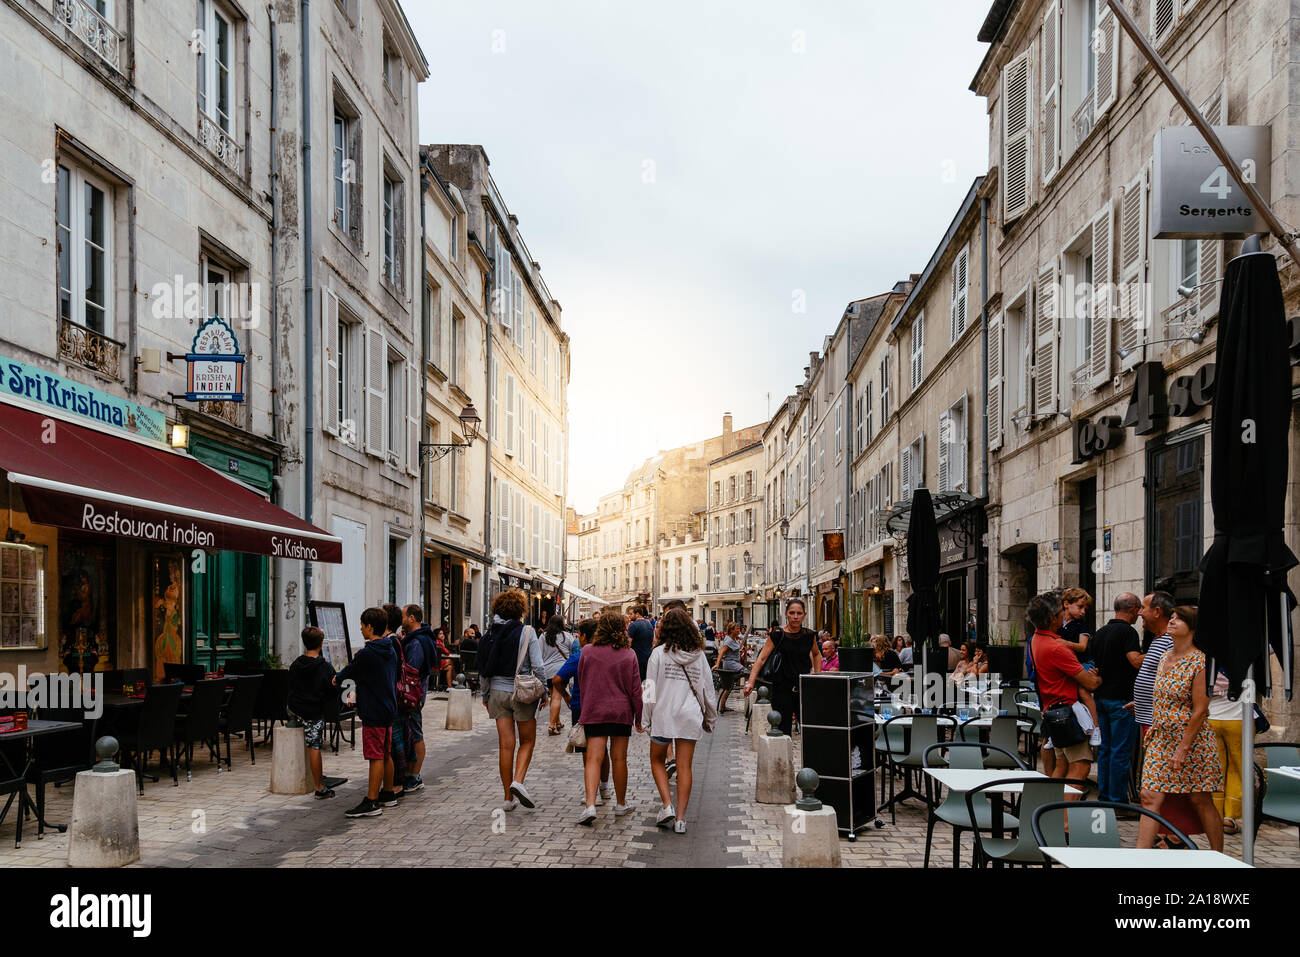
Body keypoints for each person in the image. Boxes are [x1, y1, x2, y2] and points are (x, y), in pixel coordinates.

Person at [1138, 607, 1224, 851]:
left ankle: (1218, 856)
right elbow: (1164, 694)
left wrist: (1183, 748)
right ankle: (1138, 858)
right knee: (1149, 797)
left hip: (1191, 741)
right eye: (1172, 617)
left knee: (1200, 799)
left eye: (1179, 619)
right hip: (1161, 737)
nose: (1172, 621)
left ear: (1193, 628)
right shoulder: (1165, 656)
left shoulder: (1201, 662)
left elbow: (1199, 710)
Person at [643, 607, 717, 833]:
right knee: (685, 766)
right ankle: (682, 819)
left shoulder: (658, 654)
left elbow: (649, 689)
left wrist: (646, 717)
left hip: (664, 714)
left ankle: (667, 805)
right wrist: (711, 717)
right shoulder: (699, 657)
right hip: (689, 715)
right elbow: (708, 690)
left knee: (657, 760)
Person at [477, 588, 547, 811]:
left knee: (506, 746)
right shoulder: (527, 632)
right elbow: (538, 666)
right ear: (521, 610)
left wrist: (486, 694)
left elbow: (483, 669)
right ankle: (518, 780)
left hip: (497, 692)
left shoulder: (490, 633)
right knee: (527, 741)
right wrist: (544, 690)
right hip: (521, 693)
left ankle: (508, 798)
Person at [1027, 592, 1100, 794]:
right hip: (1068, 712)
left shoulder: (1036, 640)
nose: (1063, 614)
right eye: (1061, 611)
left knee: (1061, 766)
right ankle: (1064, 821)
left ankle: (1049, 810)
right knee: (1081, 765)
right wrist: (1097, 678)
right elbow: (1090, 684)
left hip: (1053, 710)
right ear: (1052, 618)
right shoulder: (1057, 647)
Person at [576, 608, 643, 825]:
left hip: (595, 710)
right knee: (619, 758)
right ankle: (621, 804)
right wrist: (639, 716)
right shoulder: (629, 654)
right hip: (620, 711)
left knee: (593, 758)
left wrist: (584, 710)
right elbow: (635, 690)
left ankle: (590, 805)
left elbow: (582, 681)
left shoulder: (587, 652)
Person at [335, 606, 401, 818]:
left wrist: (337, 679)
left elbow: (349, 672)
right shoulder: (390, 648)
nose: (361, 629)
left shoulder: (367, 653)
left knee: (375, 756)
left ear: (370, 626)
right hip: (389, 707)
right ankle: (388, 793)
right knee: (386, 752)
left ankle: (372, 800)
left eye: (363, 625)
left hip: (373, 709)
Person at [1089, 593, 1144, 805]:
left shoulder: (1100, 632)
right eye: (1139, 609)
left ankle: (1104, 797)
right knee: (1120, 753)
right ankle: (1118, 801)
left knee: (1104, 751)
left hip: (1101, 698)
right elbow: (1135, 660)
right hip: (1122, 700)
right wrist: (1158, 654)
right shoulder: (1128, 632)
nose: (1140, 614)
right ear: (1132, 609)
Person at [742, 599, 821, 735]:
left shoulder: (809, 635)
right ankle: (785, 756)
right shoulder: (777, 634)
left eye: (799, 613)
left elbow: (816, 654)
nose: (795, 616)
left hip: (804, 687)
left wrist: (817, 676)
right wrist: (750, 682)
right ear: (786, 614)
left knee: (811, 729)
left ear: (804, 615)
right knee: (783, 729)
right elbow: (761, 659)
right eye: (792, 613)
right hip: (782, 688)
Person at [558, 618, 613, 803]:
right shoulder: (609, 653)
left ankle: (593, 792)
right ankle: (604, 788)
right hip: (604, 705)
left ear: (583, 636)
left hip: (581, 705)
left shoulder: (580, 656)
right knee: (602, 750)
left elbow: (558, 680)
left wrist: (566, 696)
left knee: (587, 752)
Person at [288, 625, 339, 799]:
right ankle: (318, 786)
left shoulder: (296, 664)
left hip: (296, 709)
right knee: (314, 745)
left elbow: (291, 685)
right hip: (313, 712)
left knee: (307, 740)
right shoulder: (325, 667)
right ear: (321, 644)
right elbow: (332, 690)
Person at [399, 605, 439, 791]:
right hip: (418, 693)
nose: (402, 620)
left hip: (413, 695)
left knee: (416, 733)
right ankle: (412, 773)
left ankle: (414, 776)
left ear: (412, 618)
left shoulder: (416, 643)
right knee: (414, 731)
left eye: (403, 617)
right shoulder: (422, 637)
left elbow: (411, 672)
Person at [1059, 587, 1099, 743]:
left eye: (1085, 609)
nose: (1083, 612)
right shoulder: (1057, 622)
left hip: (1083, 663)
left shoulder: (1081, 625)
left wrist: (1063, 643)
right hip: (1067, 665)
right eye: (1080, 607)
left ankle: (1096, 728)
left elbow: (1082, 646)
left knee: (1083, 692)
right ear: (1067, 604)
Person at [1207, 667, 1244, 835]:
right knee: (1238, 769)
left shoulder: (1206, 652)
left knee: (1216, 769)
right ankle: (1230, 817)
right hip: (1240, 716)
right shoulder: (1248, 651)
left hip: (1212, 716)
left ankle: (1215, 813)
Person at [541, 616, 575, 735]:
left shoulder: (543, 636)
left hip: (547, 671)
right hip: (561, 671)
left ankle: (558, 722)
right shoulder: (567, 636)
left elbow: (539, 653)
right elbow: (573, 652)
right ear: (562, 624)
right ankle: (551, 726)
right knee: (556, 698)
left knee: (554, 697)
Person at [712, 621, 747, 712]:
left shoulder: (733, 639)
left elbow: (733, 651)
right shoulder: (729, 640)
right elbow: (722, 652)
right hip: (731, 664)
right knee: (746, 672)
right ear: (732, 630)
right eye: (737, 629)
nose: (739, 630)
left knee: (728, 687)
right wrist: (717, 663)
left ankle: (722, 707)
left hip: (734, 663)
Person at [627, 604, 655, 681]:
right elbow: (653, 641)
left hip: (637, 658)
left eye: (631, 614)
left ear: (637, 614)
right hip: (648, 657)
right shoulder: (649, 623)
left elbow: (628, 644)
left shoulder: (633, 625)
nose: (629, 616)